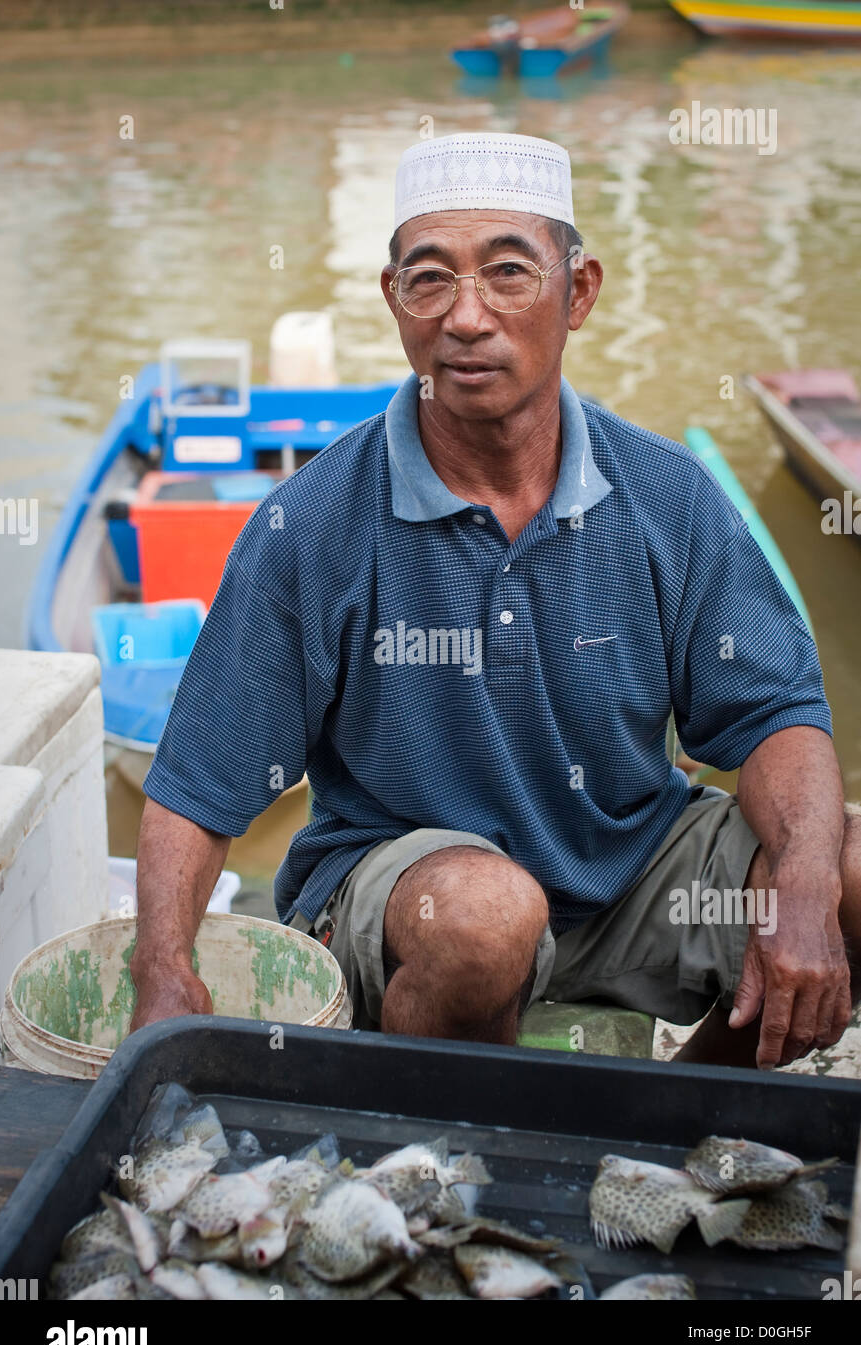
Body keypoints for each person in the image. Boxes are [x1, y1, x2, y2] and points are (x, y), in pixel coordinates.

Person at [130, 131, 860, 1070]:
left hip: (631, 871)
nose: (467, 317)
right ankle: (452, 1140)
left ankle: (687, 1102)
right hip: (417, 898)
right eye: (429, 280)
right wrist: (163, 972)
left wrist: (799, 896)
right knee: (485, 917)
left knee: (841, 870)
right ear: (393, 302)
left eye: (509, 273)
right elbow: (198, 788)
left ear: (579, 291)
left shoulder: (665, 497)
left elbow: (773, 715)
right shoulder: (310, 525)